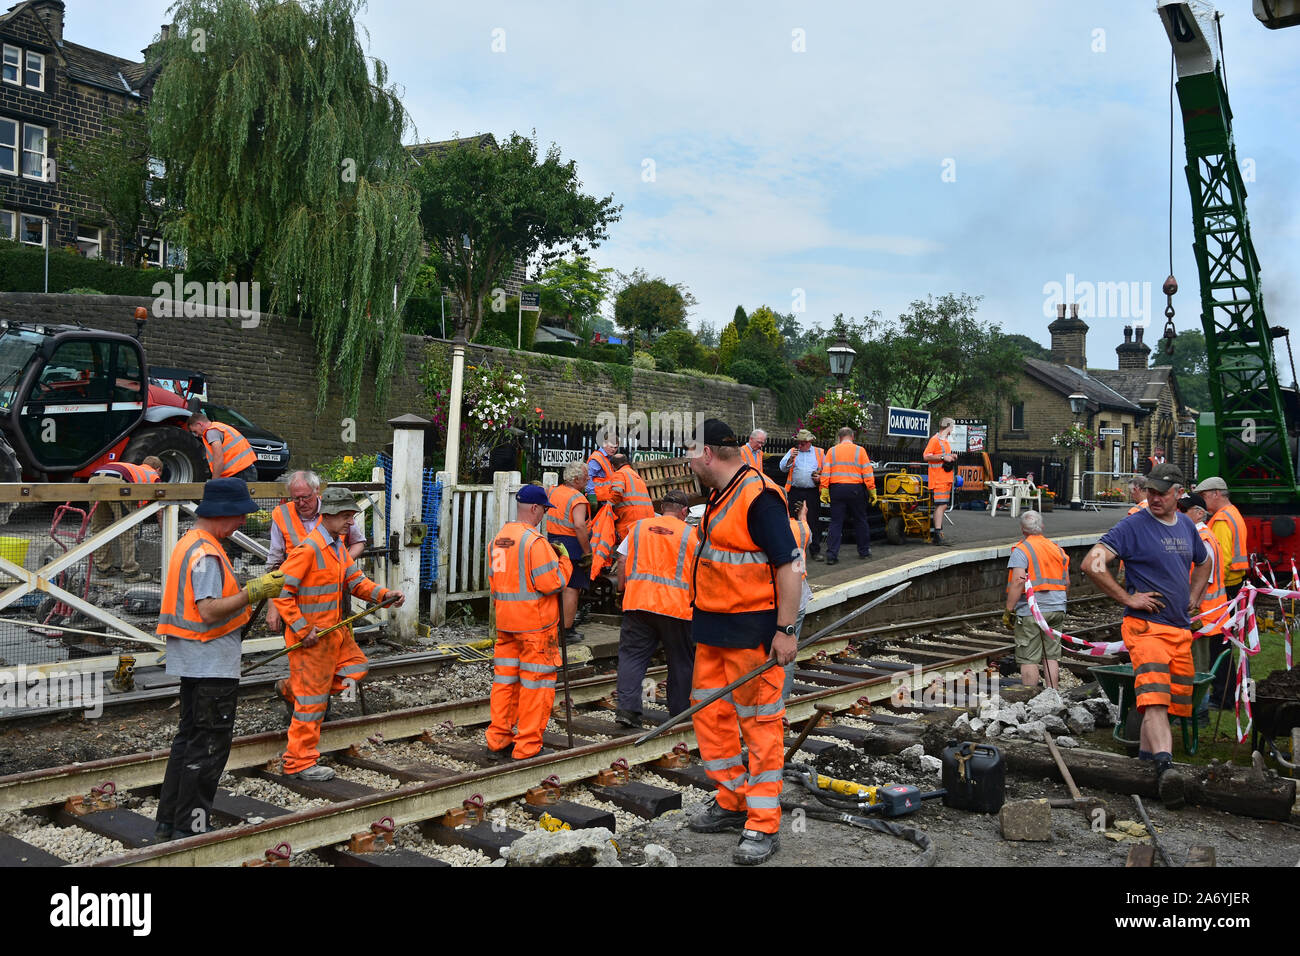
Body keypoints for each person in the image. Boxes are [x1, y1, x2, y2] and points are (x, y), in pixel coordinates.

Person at [686, 418, 800, 866]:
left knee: (760, 726)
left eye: (692, 454)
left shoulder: (760, 497)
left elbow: (788, 567)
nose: (688, 462)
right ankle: (732, 800)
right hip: (712, 631)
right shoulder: (721, 495)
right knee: (710, 717)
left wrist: (785, 630)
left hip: (751, 634)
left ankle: (763, 823)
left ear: (709, 454)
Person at [155, 478, 284, 839]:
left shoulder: (190, 543)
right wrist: (253, 591)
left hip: (193, 660)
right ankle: (192, 827)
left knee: (189, 741)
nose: (242, 522)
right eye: (240, 515)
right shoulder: (207, 553)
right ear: (224, 513)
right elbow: (209, 610)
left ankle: (170, 821)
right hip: (210, 662)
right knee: (208, 746)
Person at [1082, 463, 1209, 809]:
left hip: (1178, 629)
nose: (1152, 498)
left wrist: (1194, 597)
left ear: (1178, 494)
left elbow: (1204, 561)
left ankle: (1144, 766)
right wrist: (1127, 598)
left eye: (1160, 492)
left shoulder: (1185, 525)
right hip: (1145, 628)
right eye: (1149, 491)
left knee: (1170, 704)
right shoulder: (1134, 525)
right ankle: (1165, 767)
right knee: (1154, 701)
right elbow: (1092, 563)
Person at [272, 487, 405, 781]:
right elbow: (282, 594)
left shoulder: (336, 548)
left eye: (352, 516)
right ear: (328, 515)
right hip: (311, 640)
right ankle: (298, 762)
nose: (351, 522)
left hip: (334, 634)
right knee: (312, 705)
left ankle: (294, 689)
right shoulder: (308, 550)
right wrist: (302, 628)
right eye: (346, 516)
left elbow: (356, 581)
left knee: (355, 668)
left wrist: (385, 594)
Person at [487, 484, 573, 760]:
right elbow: (552, 583)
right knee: (536, 685)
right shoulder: (534, 542)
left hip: (506, 623)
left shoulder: (499, 539)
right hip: (536, 627)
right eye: (545, 510)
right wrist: (564, 562)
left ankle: (499, 739)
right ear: (535, 508)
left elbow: (495, 582)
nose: (544, 516)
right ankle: (527, 746)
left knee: (505, 683)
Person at [613, 490, 698, 727]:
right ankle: (680, 714)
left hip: (638, 603)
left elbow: (621, 559)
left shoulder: (639, 527)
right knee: (681, 661)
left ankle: (627, 711)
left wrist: (622, 587)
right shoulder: (690, 535)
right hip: (677, 608)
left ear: (662, 507)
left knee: (632, 657)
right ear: (684, 512)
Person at [266, 470, 366, 633]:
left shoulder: (334, 509)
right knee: (304, 646)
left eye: (305, 497)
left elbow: (359, 542)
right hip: (298, 602)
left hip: (335, 598)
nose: (301, 503)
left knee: (338, 642)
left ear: (317, 490)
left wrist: (340, 562)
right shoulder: (281, 515)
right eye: (295, 498)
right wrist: (273, 606)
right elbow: (274, 565)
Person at [1192, 475, 1248, 706]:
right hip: (1234, 584)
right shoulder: (1233, 514)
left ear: (1216, 493)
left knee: (1218, 644)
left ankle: (1222, 694)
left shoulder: (1223, 520)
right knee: (1223, 642)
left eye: (1205, 497)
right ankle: (1226, 692)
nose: (1204, 503)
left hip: (1226, 589)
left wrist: (1207, 582)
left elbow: (1220, 560)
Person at [1002, 510, 1068, 690]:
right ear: (1042, 527)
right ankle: (1052, 694)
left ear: (1023, 529)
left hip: (1032, 611)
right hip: (1057, 608)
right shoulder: (1057, 549)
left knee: (1028, 656)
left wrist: (1009, 610)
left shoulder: (1022, 550)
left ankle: (1030, 697)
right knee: (1051, 655)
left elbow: (1018, 582)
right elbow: (1066, 581)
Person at [1177, 492, 1225, 724]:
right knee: (1194, 663)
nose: (1178, 514)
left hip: (1202, 615)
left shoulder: (1202, 539)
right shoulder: (1202, 536)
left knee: (1197, 666)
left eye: (1183, 511)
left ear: (1198, 513)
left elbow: (1203, 580)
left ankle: (1199, 713)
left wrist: (1191, 607)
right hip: (1204, 614)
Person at [89, 455, 163, 583]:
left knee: (99, 526)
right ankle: (131, 572)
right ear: (158, 469)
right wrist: (164, 529)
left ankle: (103, 568)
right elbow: (160, 509)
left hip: (94, 479)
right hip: (117, 483)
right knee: (127, 529)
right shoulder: (153, 475)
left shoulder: (133, 469)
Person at [548, 462, 592, 642]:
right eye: (585, 477)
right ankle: (566, 631)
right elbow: (580, 526)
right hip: (572, 547)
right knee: (571, 589)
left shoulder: (553, 492)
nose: (588, 480)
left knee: (556, 587)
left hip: (552, 544)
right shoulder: (578, 499)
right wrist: (587, 552)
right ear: (576, 480)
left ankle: (554, 625)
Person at [820, 426, 874, 565]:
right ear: (853, 437)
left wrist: (824, 489)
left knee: (836, 522)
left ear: (839, 437)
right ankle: (864, 551)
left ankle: (832, 555)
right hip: (856, 490)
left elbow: (826, 472)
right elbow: (867, 472)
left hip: (837, 489)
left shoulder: (832, 451)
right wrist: (872, 490)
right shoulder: (860, 451)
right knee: (860, 520)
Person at [782, 497, 815, 699]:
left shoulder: (768, 528)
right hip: (799, 594)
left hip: (775, 594)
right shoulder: (801, 528)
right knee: (787, 652)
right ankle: (782, 698)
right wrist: (802, 516)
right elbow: (807, 536)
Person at [779, 429, 825, 561]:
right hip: (795, 491)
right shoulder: (792, 452)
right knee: (793, 521)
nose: (800, 445)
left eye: (803, 443)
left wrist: (819, 478)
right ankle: (793, 550)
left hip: (812, 492)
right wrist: (791, 458)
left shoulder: (819, 452)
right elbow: (782, 468)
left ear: (810, 442)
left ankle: (814, 551)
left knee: (813, 521)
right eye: (799, 442)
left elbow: (826, 471)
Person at [187, 412, 258, 482]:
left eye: (195, 431)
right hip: (245, 471)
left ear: (200, 424)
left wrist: (214, 481)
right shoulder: (218, 426)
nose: (196, 435)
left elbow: (218, 459)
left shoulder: (211, 432)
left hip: (239, 474)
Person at [605, 453, 655, 543]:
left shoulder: (620, 473)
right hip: (646, 519)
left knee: (627, 551)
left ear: (613, 466)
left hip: (630, 520)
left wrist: (607, 507)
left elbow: (617, 492)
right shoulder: (635, 475)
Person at [924, 417, 957, 545]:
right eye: (952, 426)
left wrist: (951, 456)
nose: (953, 429)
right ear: (948, 426)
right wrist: (944, 457)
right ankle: (937, 534)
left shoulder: (944, 441)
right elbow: (926, 455)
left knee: (942, 505)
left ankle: (938, 532)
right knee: (941, 505)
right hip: (939, 479)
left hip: (945, 478)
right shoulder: (935, 440)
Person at [586, 438, 620, 506]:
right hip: (598, 500)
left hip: (606, 499)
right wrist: (592, 497)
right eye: (611, 447)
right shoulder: (597, 458)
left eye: (615, 447)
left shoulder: (609, 457)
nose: (613, 449)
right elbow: (588, 477)